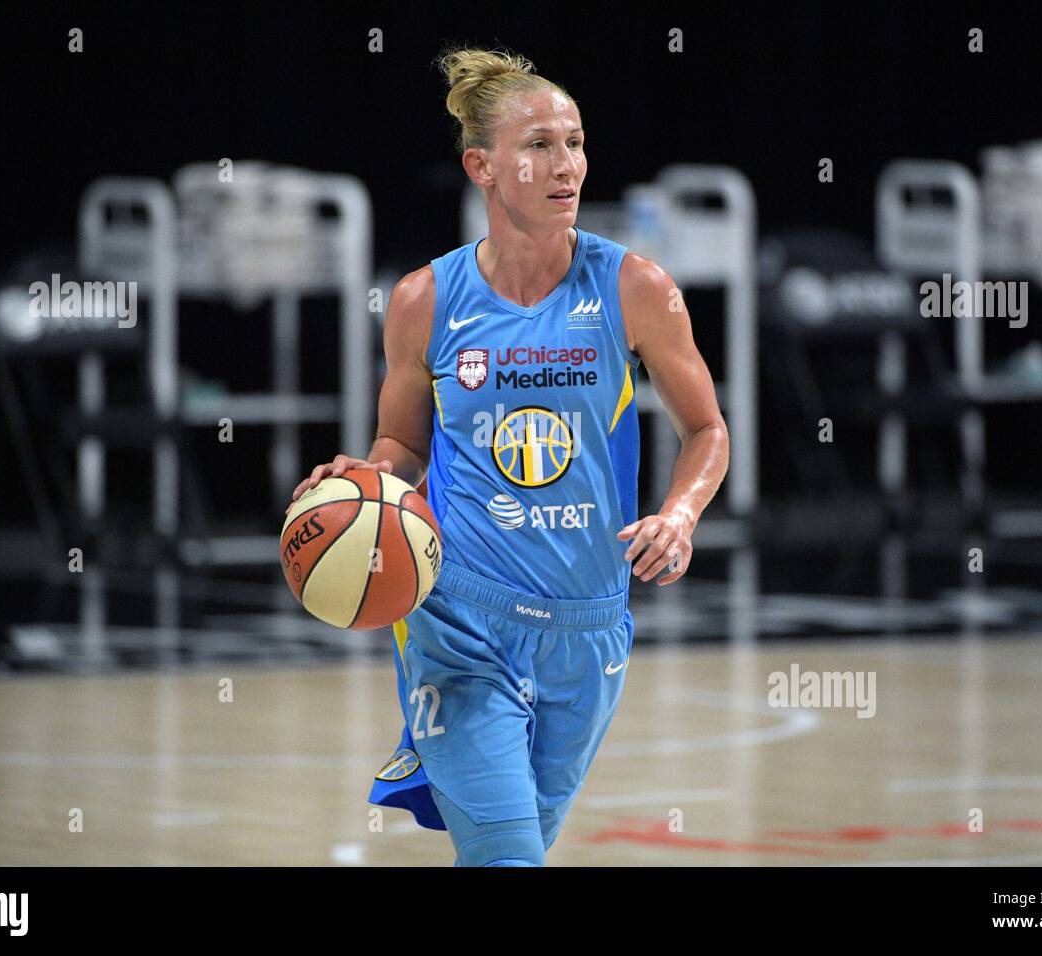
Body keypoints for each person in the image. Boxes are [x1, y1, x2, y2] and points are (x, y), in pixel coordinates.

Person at [290, 46, 728, 866]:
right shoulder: (426, 300)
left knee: (514, 852)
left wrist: (681, 513)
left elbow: (708, 430)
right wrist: (358, 485)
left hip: (589, 627)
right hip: (459, 620)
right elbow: (402, 448)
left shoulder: (635, 287)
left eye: (576, 142)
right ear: (481, 167)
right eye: (540, 146)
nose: (568, 166)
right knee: (507, 857)